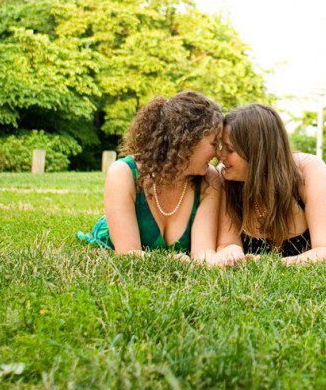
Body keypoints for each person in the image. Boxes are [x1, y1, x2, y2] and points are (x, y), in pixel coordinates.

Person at [77, 90, 235, 265]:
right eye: (214, 143)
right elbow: (128, 254)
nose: (219, 153)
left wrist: (227, 258)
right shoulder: (124, 173)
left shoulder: (209, 179)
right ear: (187, 139)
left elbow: (203, 254)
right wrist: (171, 261)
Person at [215, 102, 326, 265]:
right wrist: (230, 251)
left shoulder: (308, 169)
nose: (219, 154)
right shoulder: (225, 176)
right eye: (221, 146)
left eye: (229, 149)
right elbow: (228, 244)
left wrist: (270, 264)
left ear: (257, 153)